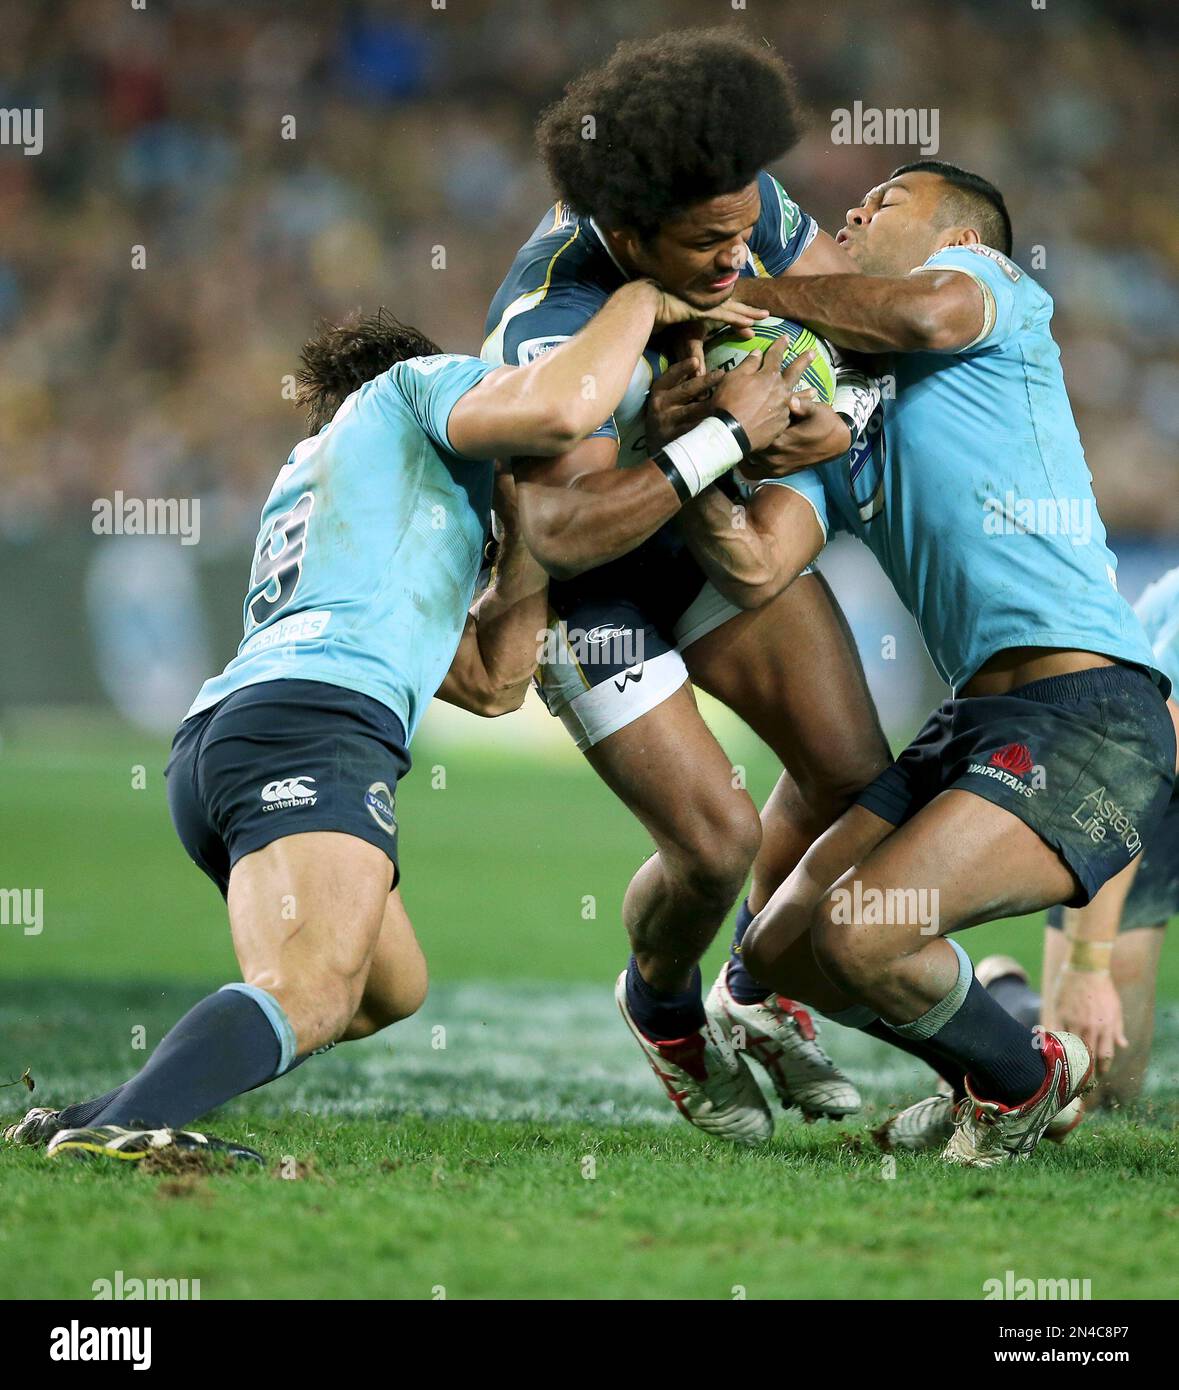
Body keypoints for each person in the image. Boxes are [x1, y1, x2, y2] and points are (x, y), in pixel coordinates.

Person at [8, 279, 795, 1163]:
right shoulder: (413, 384)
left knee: (390, 988)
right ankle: (118, 1133)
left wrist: (527, 524)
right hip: (312, 726)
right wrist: (647, 311)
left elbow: (496, 682)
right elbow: (554, 409)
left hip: (236, 735)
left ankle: (85, 1112)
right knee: (311, 988)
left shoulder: (341, 495)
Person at [680, 160, 1176, 1166]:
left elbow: (920, 318)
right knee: (772, 954)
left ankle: (1023, 1085)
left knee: (864, 933)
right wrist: (702, 454)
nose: (856, 211)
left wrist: (736, 292)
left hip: (1088, 710)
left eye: (888, 201)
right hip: (972, 723)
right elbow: (759, 559)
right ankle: (996, 1050)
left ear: (963, 235)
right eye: (858, 203)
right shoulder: (849, 410)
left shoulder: (991, 293)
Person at [484, 27, 890, 1144]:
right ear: (626, 235)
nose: (736, 261)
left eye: (743, 230)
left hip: (698, 531)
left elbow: (851, 317)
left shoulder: (738, 199)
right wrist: (712, 446)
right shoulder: (552, 320)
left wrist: (835, 415)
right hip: (590, 587)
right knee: (712, 845)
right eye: (706, 246)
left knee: (855, 778)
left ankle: (756, 994)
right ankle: (662, 1005)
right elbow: (561, 531)